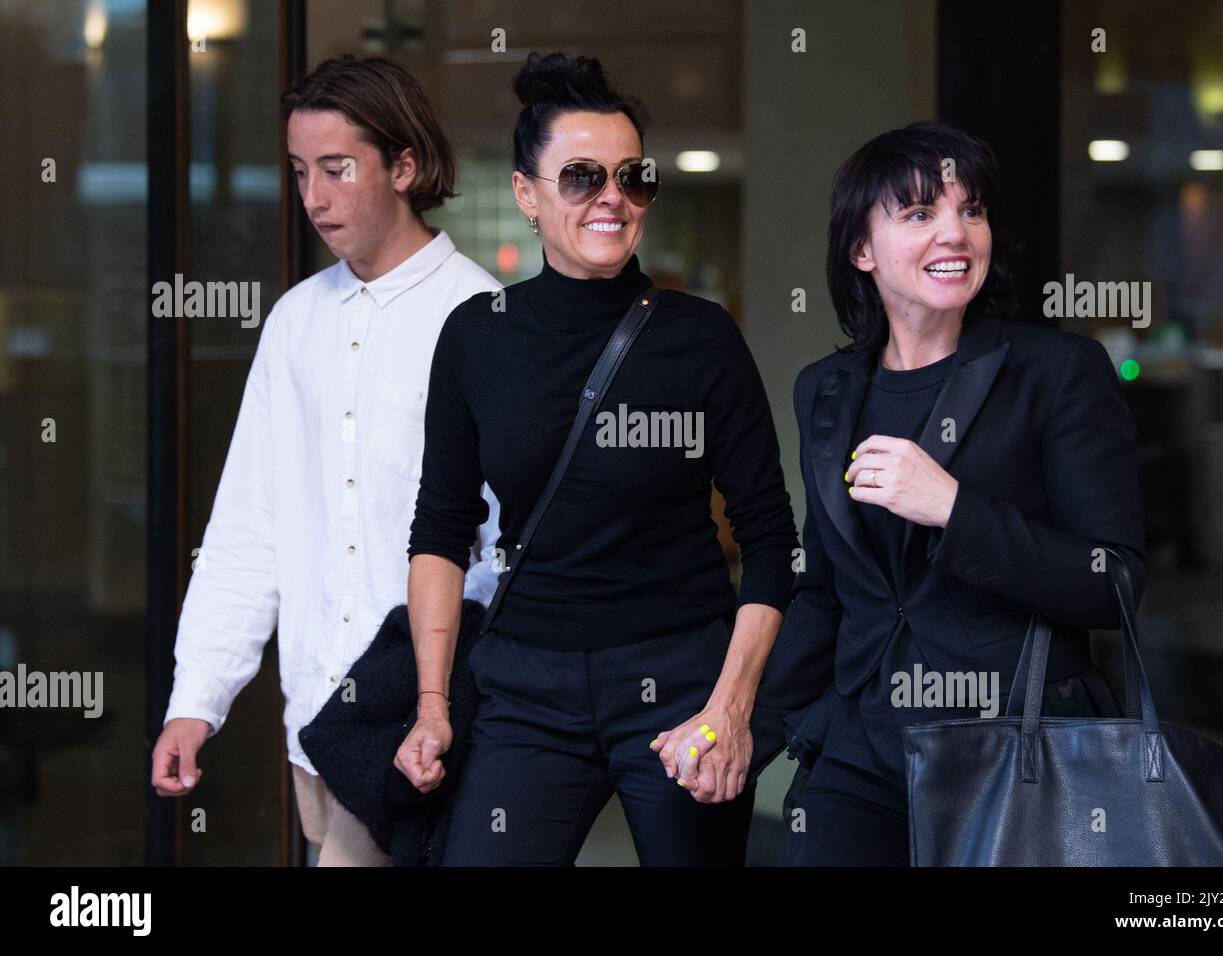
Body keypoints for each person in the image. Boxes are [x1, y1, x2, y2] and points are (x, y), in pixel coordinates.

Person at [396, 51, 797, 866]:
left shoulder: (701, 338)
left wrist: (731, 707)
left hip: (682, 683)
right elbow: (441, 528)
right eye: (581, 177)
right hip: (527, 690)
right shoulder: (478, 335)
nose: (612, 196)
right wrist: (432, 704)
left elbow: (771, 538)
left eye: (632, 176)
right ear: (527, 193)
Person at [150, 56, 502, 866]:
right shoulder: (293, 323)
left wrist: (441, 695)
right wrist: (196, 700)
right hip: (315, 718)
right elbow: (250, 526)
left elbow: (507, 545)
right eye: (300, 170)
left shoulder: (483, 317)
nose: (313, 197)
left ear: (403, 166)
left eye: (337, 169)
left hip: (435, 720)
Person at [771, 121, 1147, 866]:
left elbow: (1116, 582)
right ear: (861, 249)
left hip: (1013, 745)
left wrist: (953, 508)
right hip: (862, 749)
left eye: (970, 210)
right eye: (920, 213)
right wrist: (741, 728)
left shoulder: (1057, 372)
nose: (956, 233)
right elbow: (825, 592)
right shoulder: (827, 388)